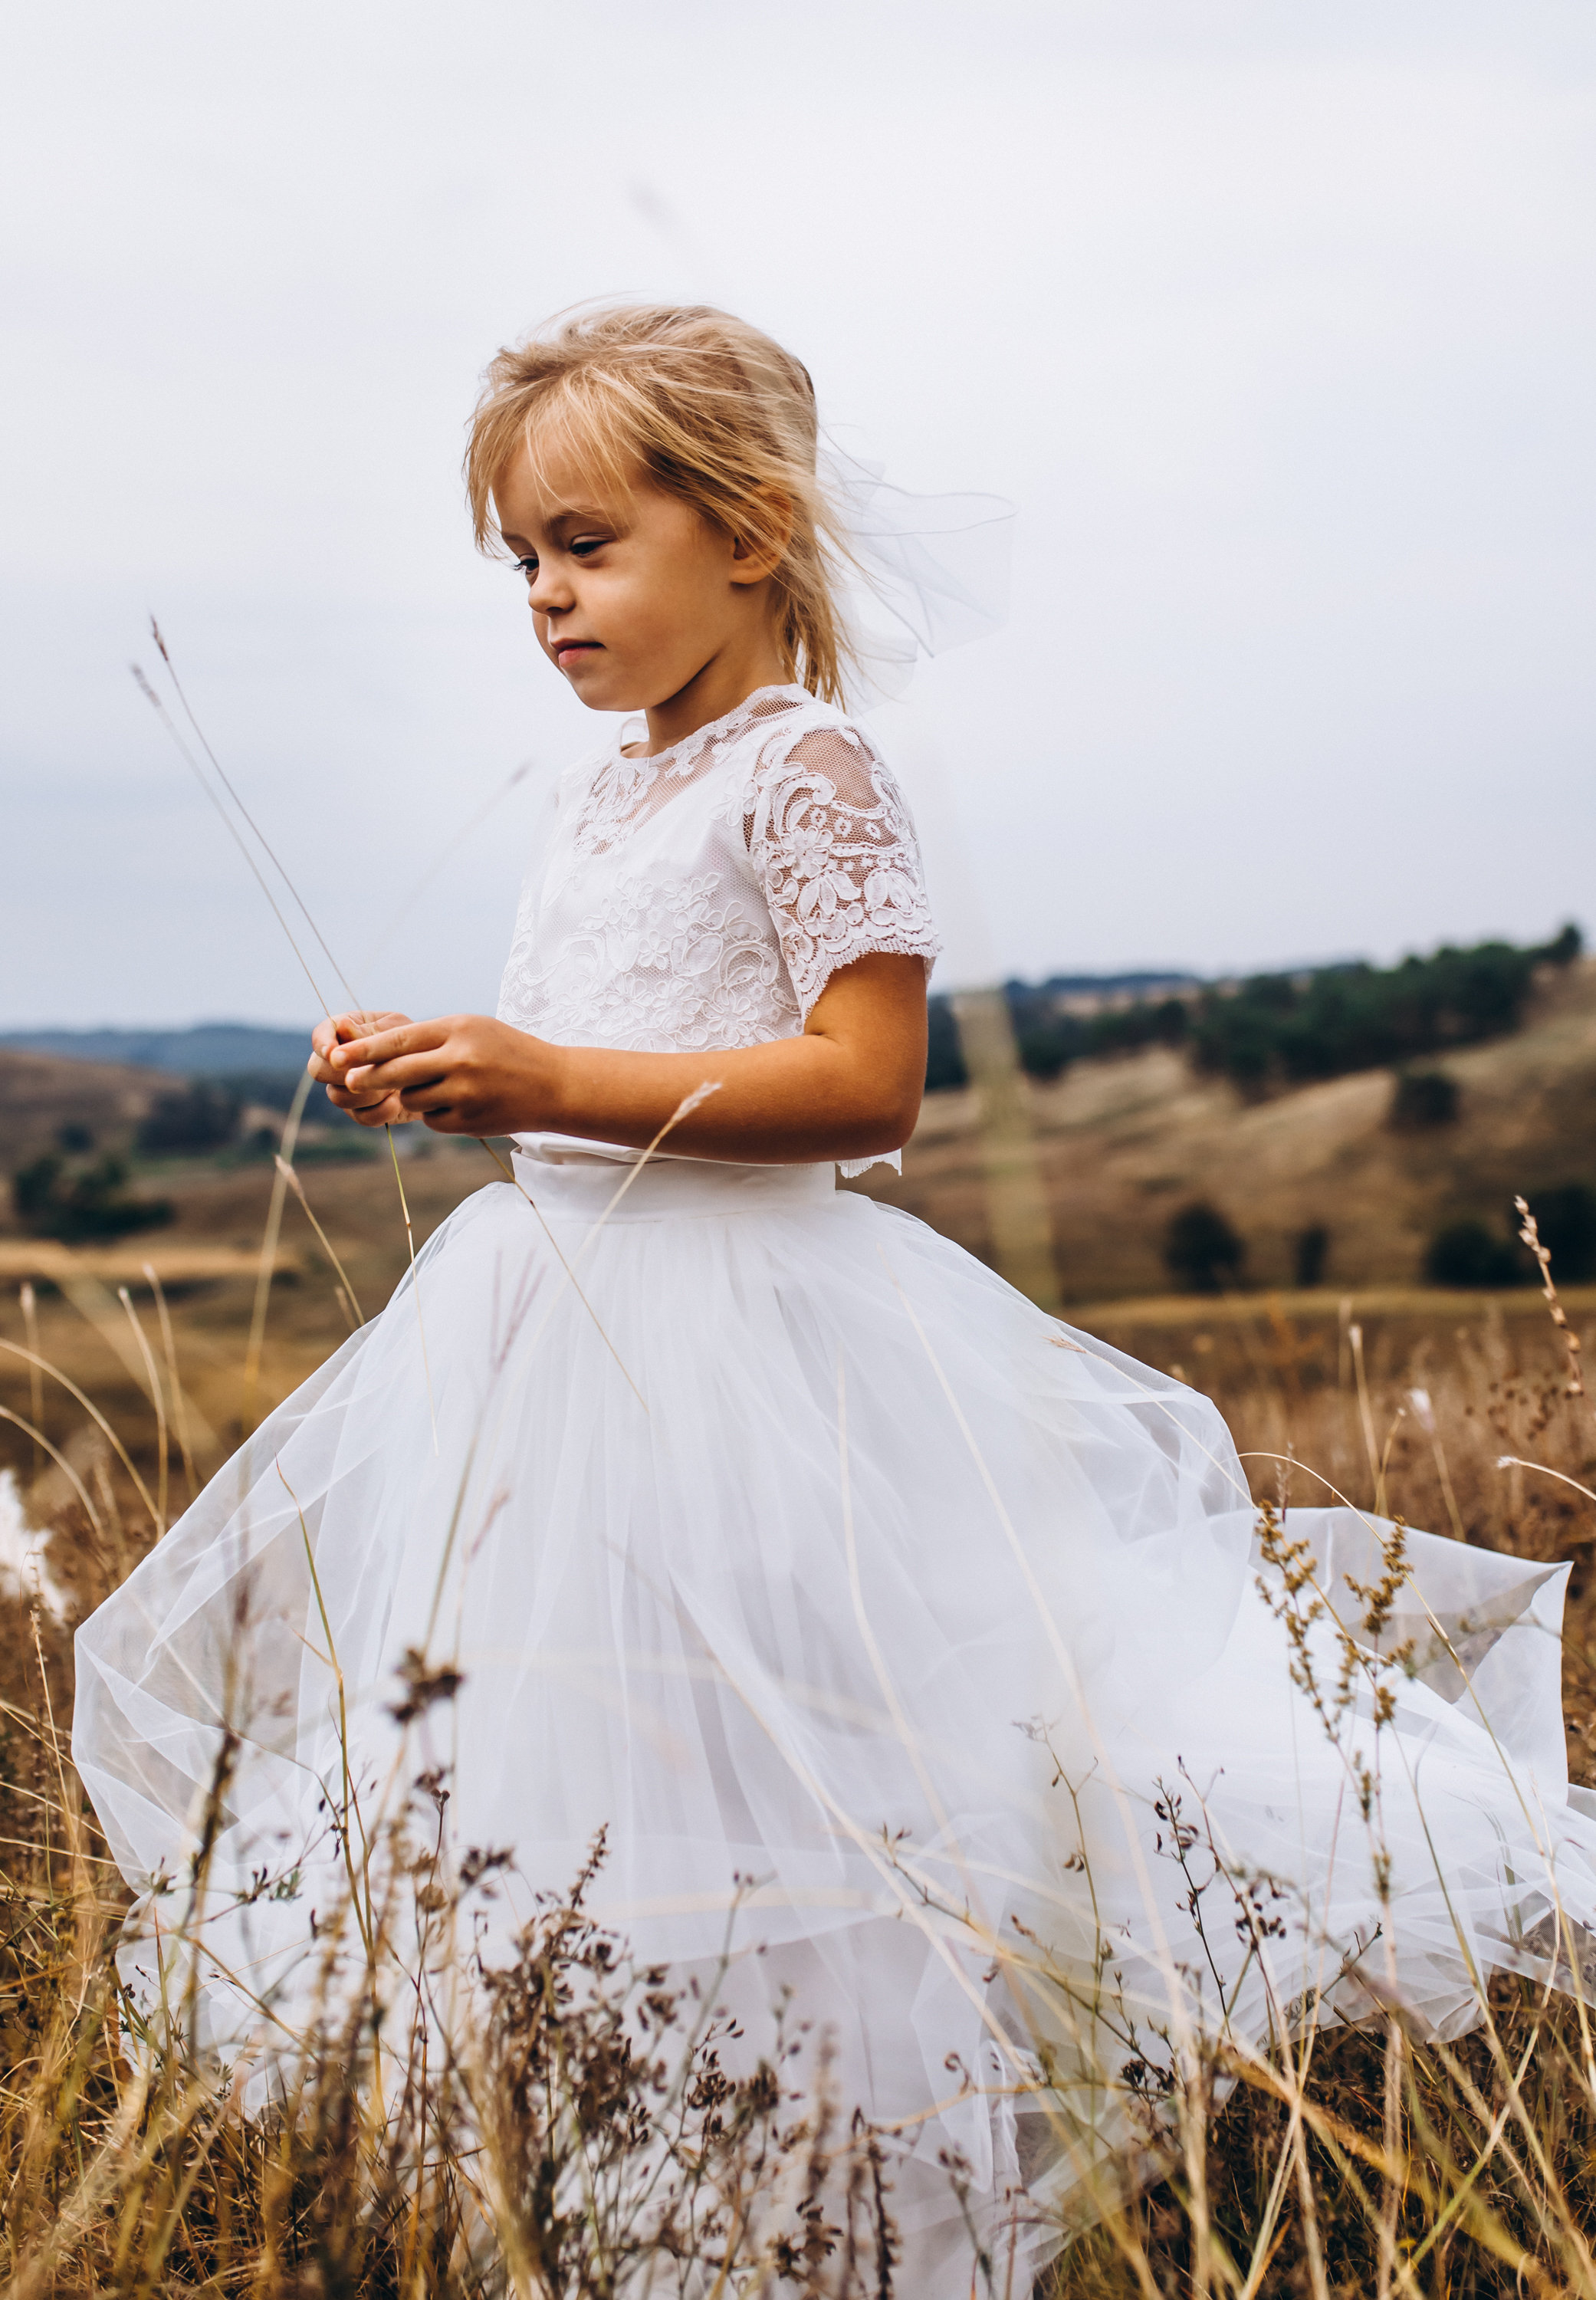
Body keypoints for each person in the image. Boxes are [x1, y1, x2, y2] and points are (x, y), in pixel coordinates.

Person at [73, 304, 1596, 2295]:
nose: (544, 597)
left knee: (818, 1755)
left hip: (757, 1354)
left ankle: (855, 2173)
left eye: (585, 544)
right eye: (518, 558)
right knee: (587, 1758)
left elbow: (860, 1083)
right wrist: (470, 1080)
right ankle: (645, 2169)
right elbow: (618, 1064)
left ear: (750, 530)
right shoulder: (596, 794)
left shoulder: (810, 766)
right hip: (550, 1341)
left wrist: (543, 1077)